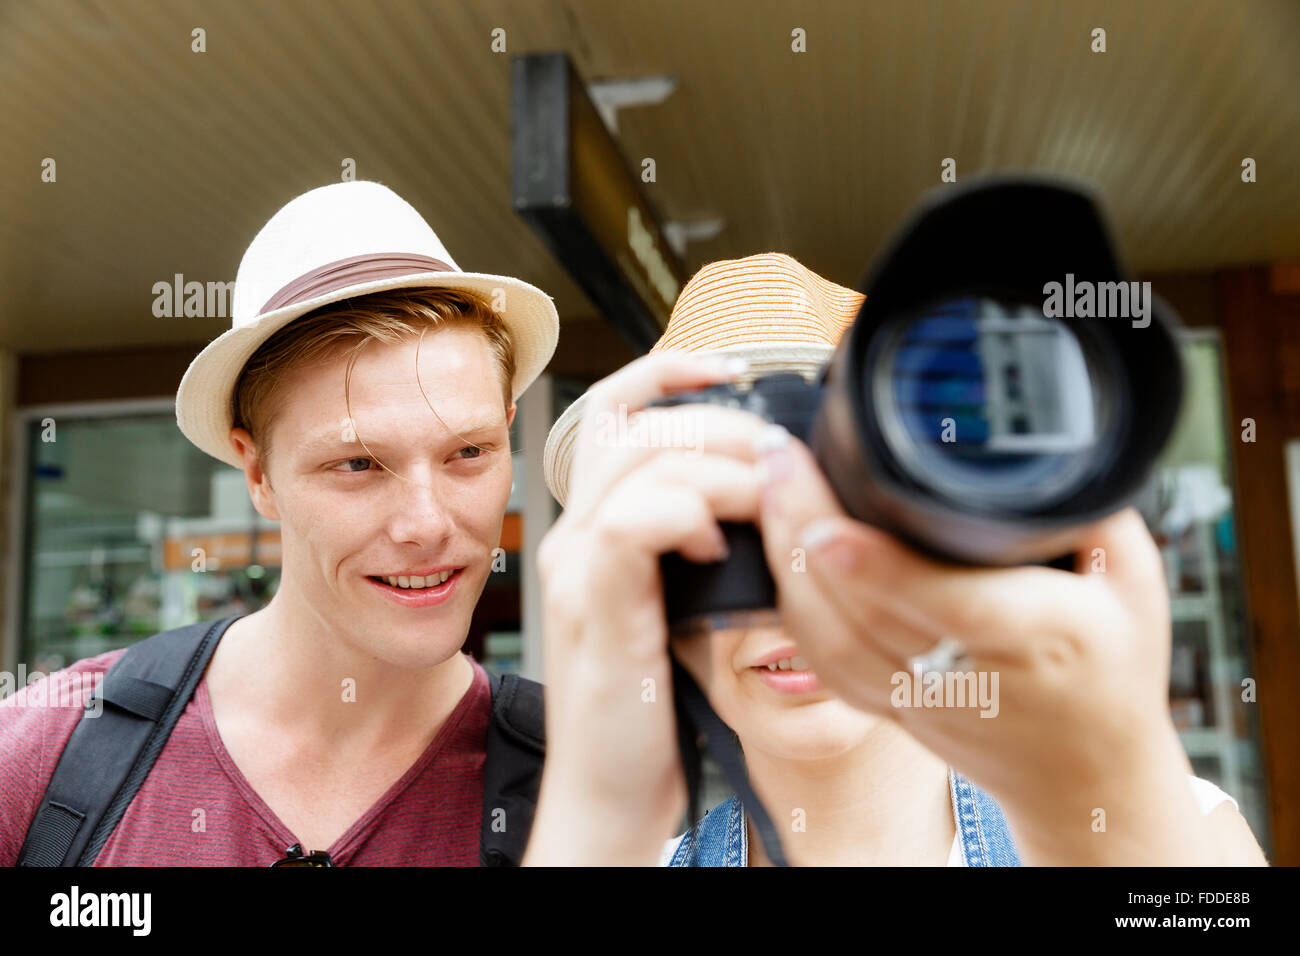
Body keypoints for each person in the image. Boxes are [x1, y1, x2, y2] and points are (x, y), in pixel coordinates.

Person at [522, 253, 1269, 866]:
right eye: (729, 533)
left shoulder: (1171, 834)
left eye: (840, 504)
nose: (794, 589)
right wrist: (596, 810)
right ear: (662, 609)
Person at [1, 180, 559, 866]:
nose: (427, 524)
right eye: (357, 464)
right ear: (257, 472)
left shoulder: (583, 788)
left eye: (468, 453)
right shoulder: (47, 753)